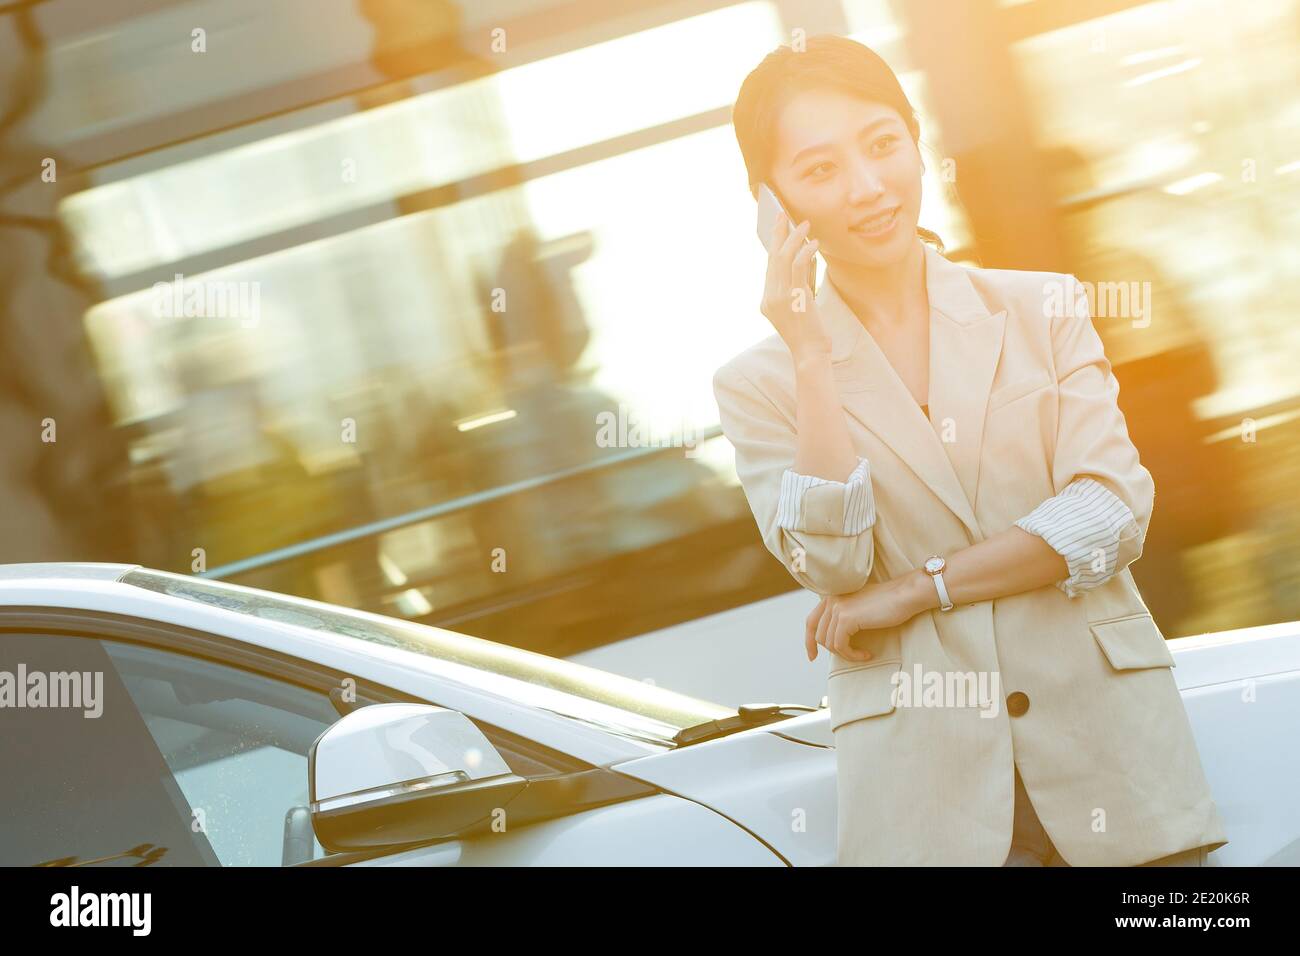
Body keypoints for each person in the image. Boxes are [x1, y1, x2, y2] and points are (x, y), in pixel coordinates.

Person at [714, 35, 1228, 866]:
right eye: (819, 170)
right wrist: (810, 355)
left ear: (916, 139)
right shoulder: (760, 382)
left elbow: (1109, 513)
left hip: (1111, 769)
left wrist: (918, 590)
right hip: (929, 807)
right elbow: (836, 570)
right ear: (772, 203)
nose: (868, 187)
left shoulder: (1042, 308)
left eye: (883, 145)